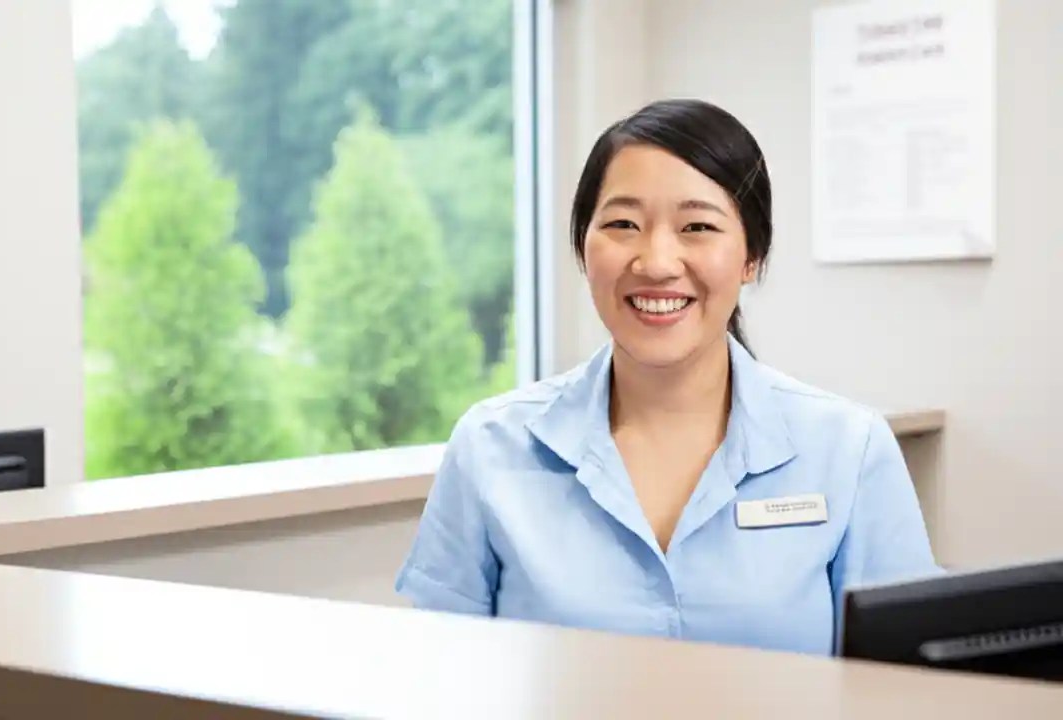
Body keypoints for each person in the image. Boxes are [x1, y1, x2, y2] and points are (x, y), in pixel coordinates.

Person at [394, 98, 940, 655]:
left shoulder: (848, 450)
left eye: (697, 226)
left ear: (751, 256)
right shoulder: (491, 447)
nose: (656, 262)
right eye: (623, 224)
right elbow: (440, 680)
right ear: (584, 248)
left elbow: (906, 689)